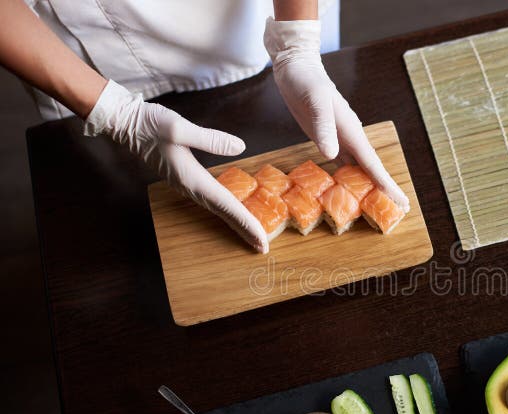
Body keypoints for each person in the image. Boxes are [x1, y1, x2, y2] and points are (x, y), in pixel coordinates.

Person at [0, 0, 409, 253]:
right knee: (125, 221)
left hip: (268, 15)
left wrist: (297, 42)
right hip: (86, 70)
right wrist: (117, 114)